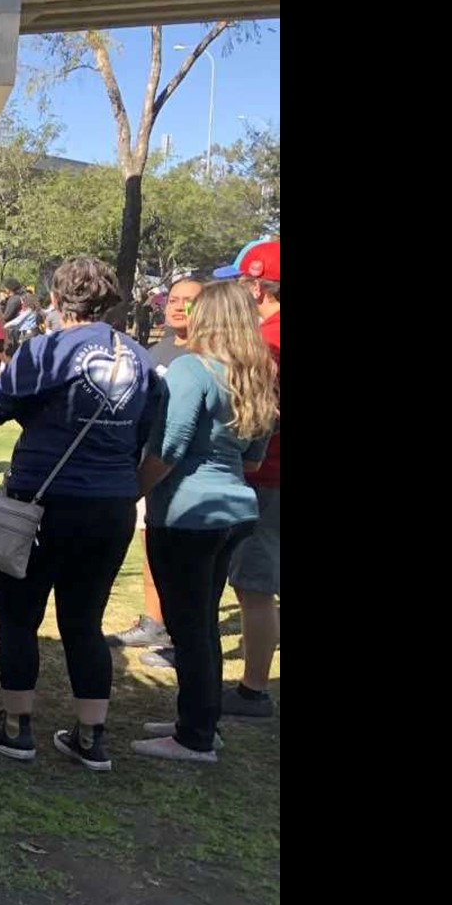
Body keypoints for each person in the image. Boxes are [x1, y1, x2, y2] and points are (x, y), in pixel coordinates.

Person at [0, 256, 154, 772]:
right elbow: (147, 430)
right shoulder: (138, 356)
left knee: (18, 613)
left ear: (53, 298)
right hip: (111, 502)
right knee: (85, 620)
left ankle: (15, 726)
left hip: (42, 501)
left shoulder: (45, 349)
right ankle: (91, 736)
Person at [133, 280, 278, 761]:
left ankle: (194, 736)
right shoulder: (257, 373)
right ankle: (200, 718)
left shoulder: (191, 369)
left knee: (188, 626)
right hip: (235, 509)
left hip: (187, 513)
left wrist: (130, 491)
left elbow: (168, 448)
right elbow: (255, 458)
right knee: (204, 623)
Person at [108, 275, 204, 669]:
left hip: (187, 473)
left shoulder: (205, 356)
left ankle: (185, 636)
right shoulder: (153, 352)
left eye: (189, 301)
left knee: (187, 563)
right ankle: (154, 620)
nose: (179, 306)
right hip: (149, 461)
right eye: (174, 299)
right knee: (150, 547)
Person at [219, 240, 280, 718]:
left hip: (268, 476)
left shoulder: (266, 344)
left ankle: (254, 690)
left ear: (256, 287)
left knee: (255, 587)